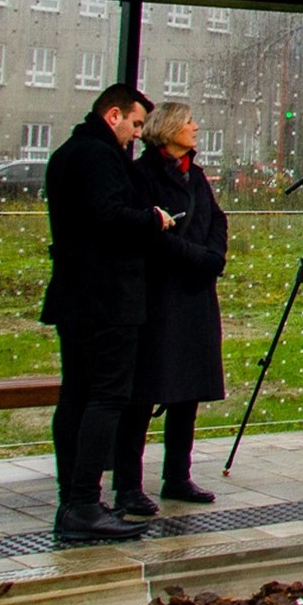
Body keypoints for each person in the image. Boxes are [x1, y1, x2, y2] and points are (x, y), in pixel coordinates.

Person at [40, 83, 173, 544]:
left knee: (76, 394)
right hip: (108, 297)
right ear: (112, 115)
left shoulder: (66, 154)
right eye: (135, 123)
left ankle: (72, 500)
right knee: (106, 396)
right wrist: (153, 218)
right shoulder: (98, 156)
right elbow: (109, 217)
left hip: (75, 295)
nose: (137, 134)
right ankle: (83, 503)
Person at [111, 102, 229, 516]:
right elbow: (150, 233)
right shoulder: (142, 175)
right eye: (189, 121)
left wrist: (214, 255)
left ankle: (178, 475)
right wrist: (199, 257)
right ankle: (128, 484)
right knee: (143, 393)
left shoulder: (194, 173)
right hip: (160, 297)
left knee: (188, 392)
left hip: (196, 294)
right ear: (170, 128)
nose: (196, 127)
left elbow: (217, 219)